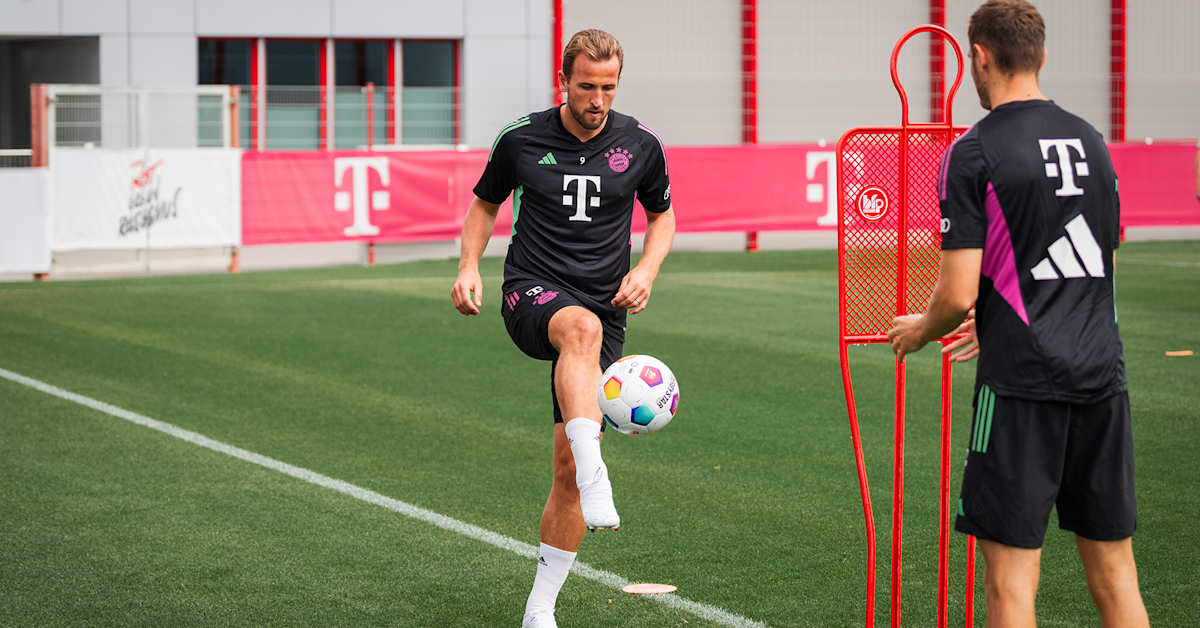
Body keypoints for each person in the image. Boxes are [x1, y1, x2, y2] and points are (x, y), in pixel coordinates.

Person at [887, 1, 1150, 626]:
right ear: (1042, 54)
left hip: (1020, 388)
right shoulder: (1090, 138)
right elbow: (1101, 253)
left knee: (1010, 584)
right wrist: (1005, 310)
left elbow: (956, 294)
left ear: (978, 56)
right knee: (1116, 574)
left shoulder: (974, 151)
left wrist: (920, 332)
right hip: (1102, 379)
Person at [450, 28, 675, 628]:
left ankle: (539, 610)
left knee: (567, 476)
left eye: (608, 87)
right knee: (578, 329)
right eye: (586, 86)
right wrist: (469, 266)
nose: (597, 99)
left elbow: (662, 215)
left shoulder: (641, 144)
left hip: (607, 306)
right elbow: (484, 205)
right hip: (532, 293)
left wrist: (648, 270)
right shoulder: (520, 139)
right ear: (563, 81)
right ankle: (597, 465)